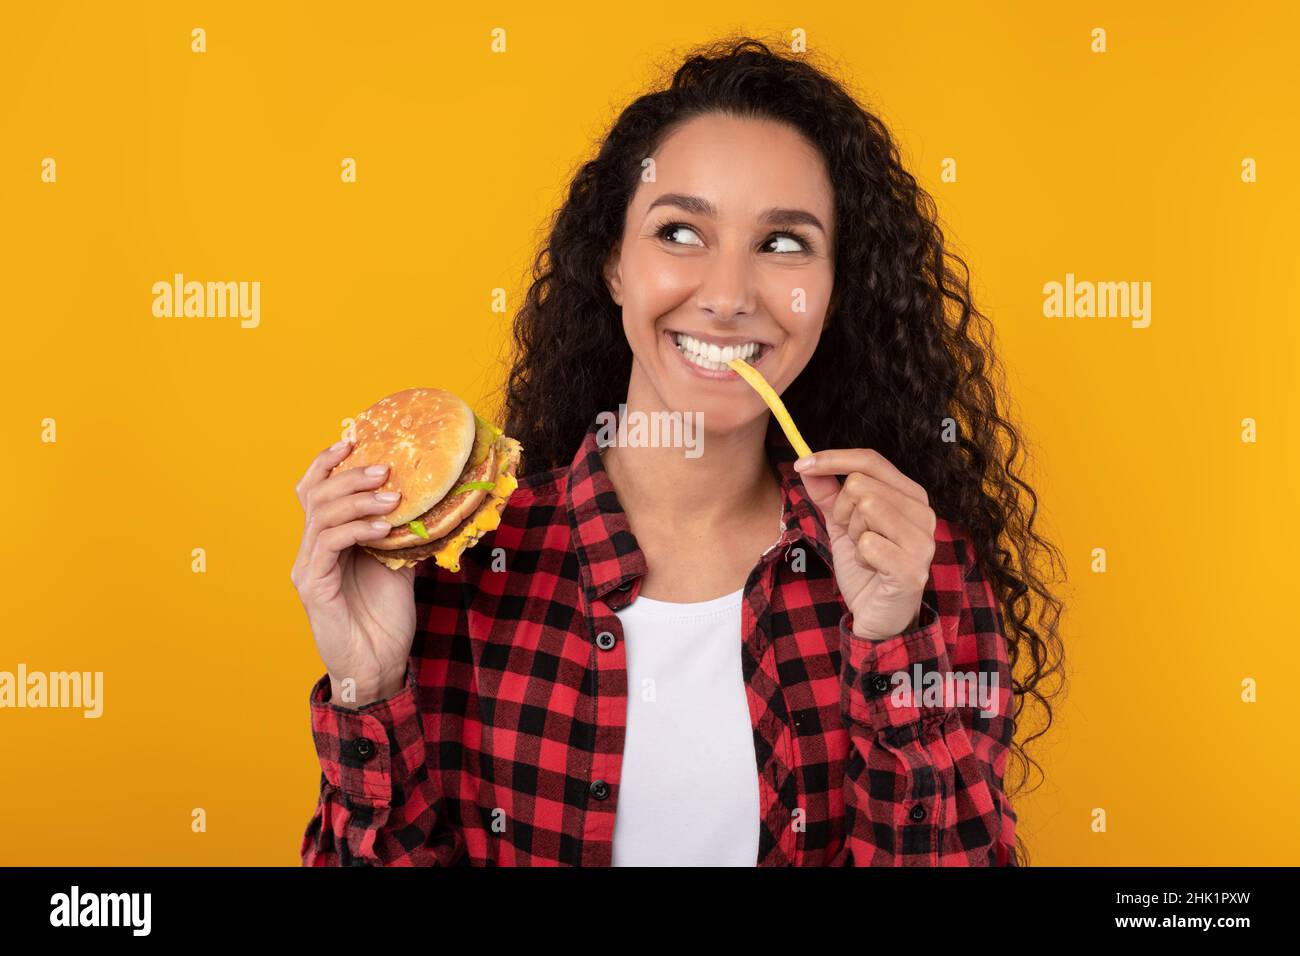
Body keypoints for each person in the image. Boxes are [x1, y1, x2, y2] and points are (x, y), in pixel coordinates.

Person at [291, 36, 1065, 866]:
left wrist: (895, 644)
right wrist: (368, 689)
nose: (728, 297)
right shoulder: (461, 569)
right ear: (614, 266)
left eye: (783, 244)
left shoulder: (916, 571)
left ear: (836, 290)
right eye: (681, 232)